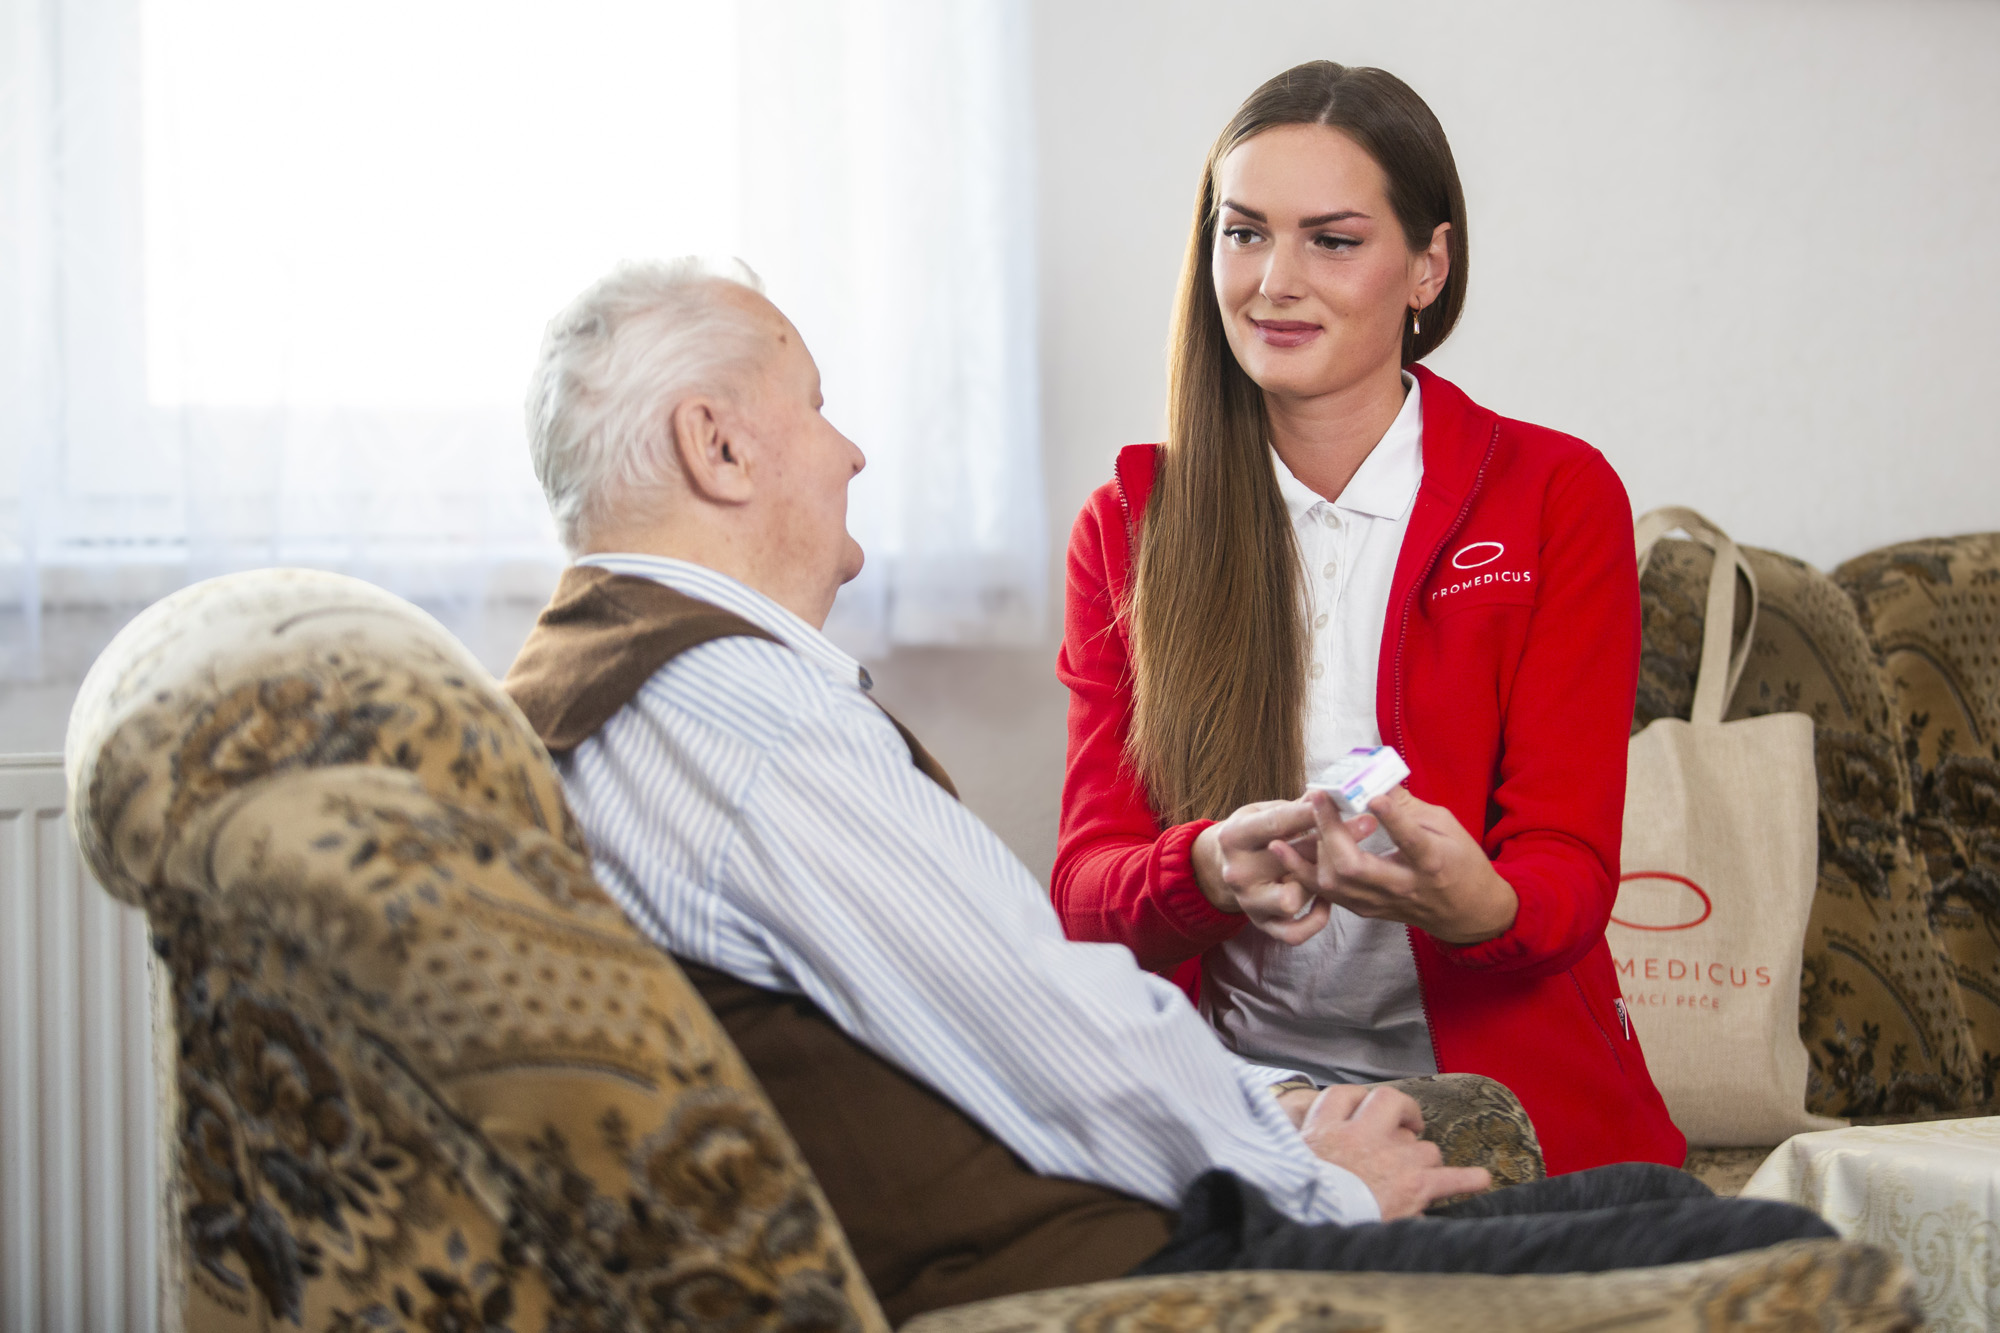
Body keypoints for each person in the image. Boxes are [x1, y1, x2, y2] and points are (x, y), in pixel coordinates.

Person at [503, 257, 1826, 1325]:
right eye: (816, 402)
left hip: (1114, 1217)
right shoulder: (748, 724)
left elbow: (985, 1019)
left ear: (1427, 272)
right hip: (1118, 1273)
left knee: (1682, 1213)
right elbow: (1044, 1026)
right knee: (1776, 1252)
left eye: (1334, 239)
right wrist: (1316, 1180)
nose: (851, 450)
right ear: (717, 446)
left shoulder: (611, 692)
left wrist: (1282, 1121)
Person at [1054, 60, 1685, 1176]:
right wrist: (1199, 870)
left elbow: (1568, 869)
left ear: (1426, 267)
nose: (1271, 282)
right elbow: (1086, 888)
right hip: (1236, 1099)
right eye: (1242, 233)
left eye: (1331, 240)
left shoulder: (1551, 496)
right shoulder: (1127, 528)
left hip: (1509, 1101)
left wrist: (1477, 900)